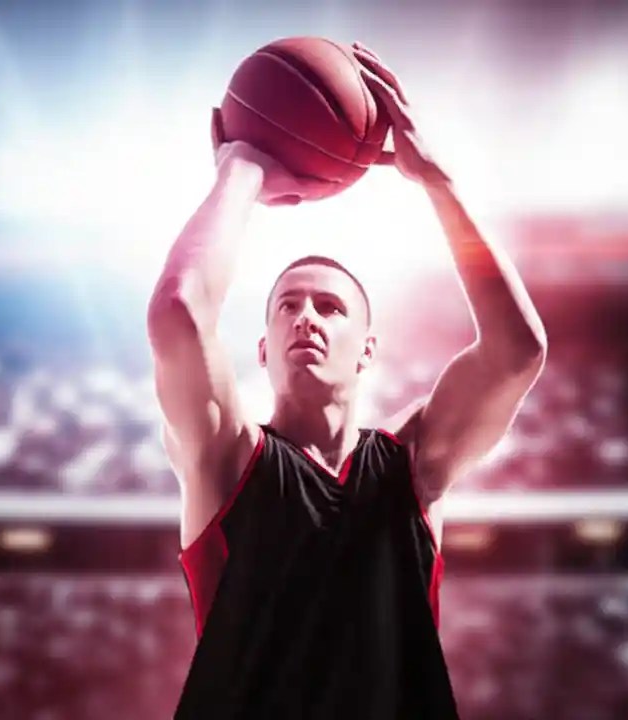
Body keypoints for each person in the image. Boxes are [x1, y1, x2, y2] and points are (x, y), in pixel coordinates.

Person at [147, 43, 548, 719]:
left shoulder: (412, 469)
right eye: (288, 307)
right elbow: (180, 313)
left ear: (366, 351)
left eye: (330, 308)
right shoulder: (225, 459)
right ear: (263, 349)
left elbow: (517, 351)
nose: (307, 317)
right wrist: (242, 164)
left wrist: (438, 182)